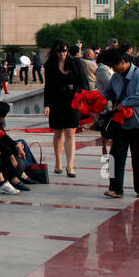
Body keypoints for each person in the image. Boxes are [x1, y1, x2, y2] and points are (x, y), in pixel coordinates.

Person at [99, 47, 139, 199]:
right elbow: (108, 92)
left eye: (114, 66)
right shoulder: (116, 77)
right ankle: (115, 188)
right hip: (121, 124)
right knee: (116, 156)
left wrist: (126, 103)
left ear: (123, 62)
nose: (113, 70)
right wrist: (96, 99)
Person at [43, 39, 83, 177]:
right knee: (58, 132)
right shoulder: (50, 66)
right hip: (57, 100)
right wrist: (47, 104)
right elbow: (48, 87)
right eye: (59, 51)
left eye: (65, 50)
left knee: (70, 132)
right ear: (55, 51)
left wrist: (83, 97)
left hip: (73, 100)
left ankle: (70, 165)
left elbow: (82, 82)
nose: (62, 54)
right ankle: (58, 161)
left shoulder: (75, 63)